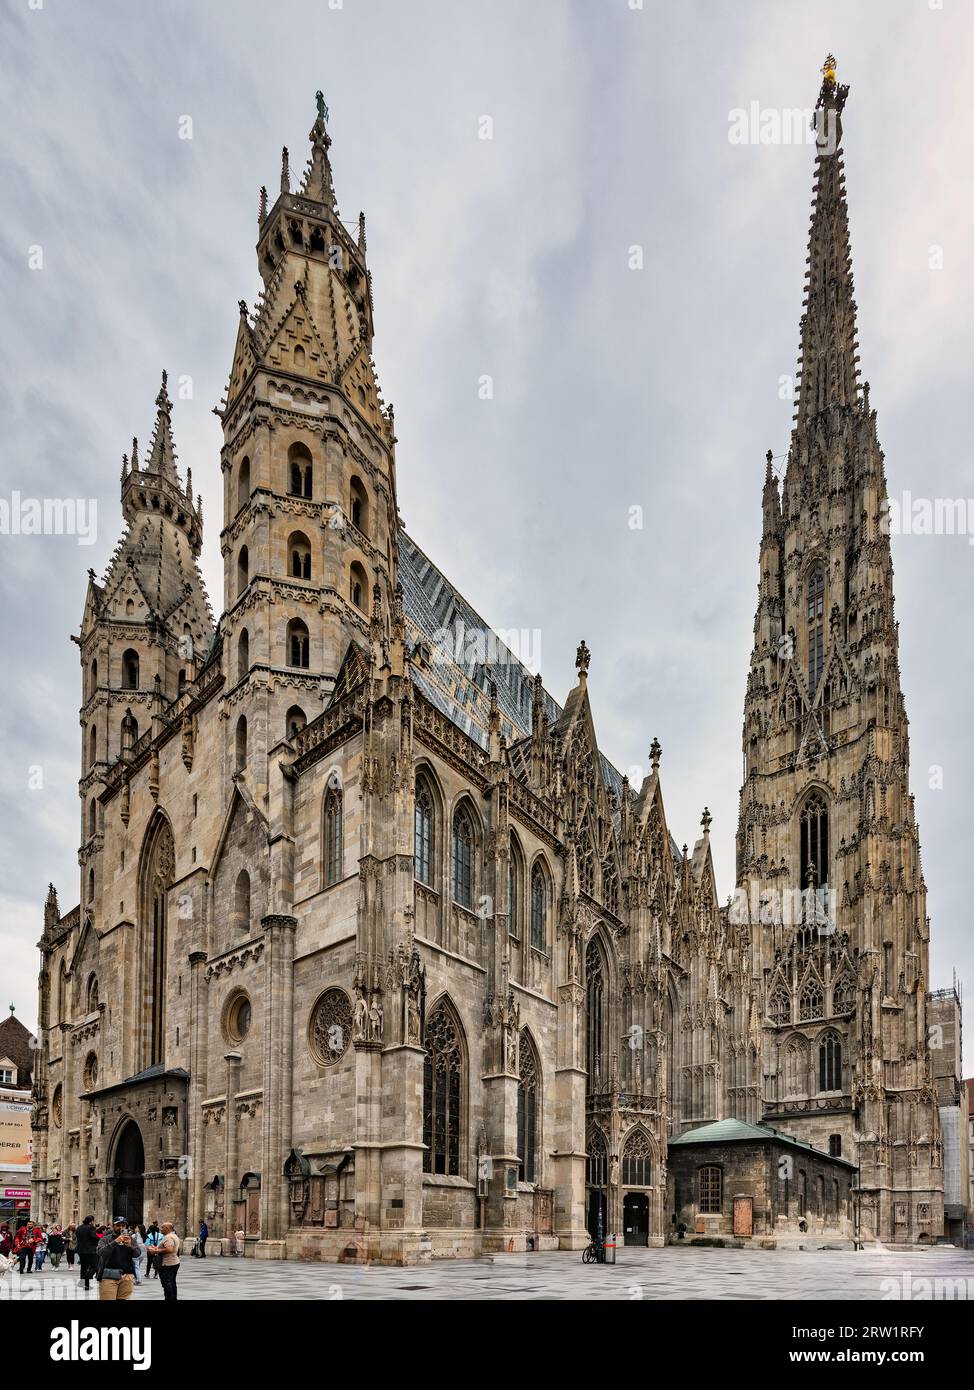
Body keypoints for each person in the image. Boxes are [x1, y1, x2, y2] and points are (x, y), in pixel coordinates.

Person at [97, 1221, 137, 1301]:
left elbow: (137, 1254)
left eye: (123, 1225)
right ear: (113, 1226)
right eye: (118, 1225)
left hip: (126, 1275)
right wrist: (115, 1242)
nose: (121, 1228)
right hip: (109, 1276)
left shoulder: (130, 1239)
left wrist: (130, 1246)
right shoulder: (106, 1239)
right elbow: (100, 1252)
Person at [157, 1222, 180, 1301]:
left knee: (167, 1283)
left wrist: (156, 1251)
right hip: (173, 1262)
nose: (161, 1229)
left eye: (162, 1227)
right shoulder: (174, 1235)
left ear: (167, 1228)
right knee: (172, 1282)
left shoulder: (168, 1237)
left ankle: (169, 1298)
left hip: (168, 1263)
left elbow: (169, 1249)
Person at [76, 1215, 100, 1291]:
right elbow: (94, 1237)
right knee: (95, 1266)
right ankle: (84, 1279)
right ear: (91, 1221)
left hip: (81, 1250)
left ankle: (86, 1285)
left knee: (84, 1267)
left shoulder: (79, 1228)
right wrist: (100, 1239)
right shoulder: (91, 1227)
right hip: (90, 1251)